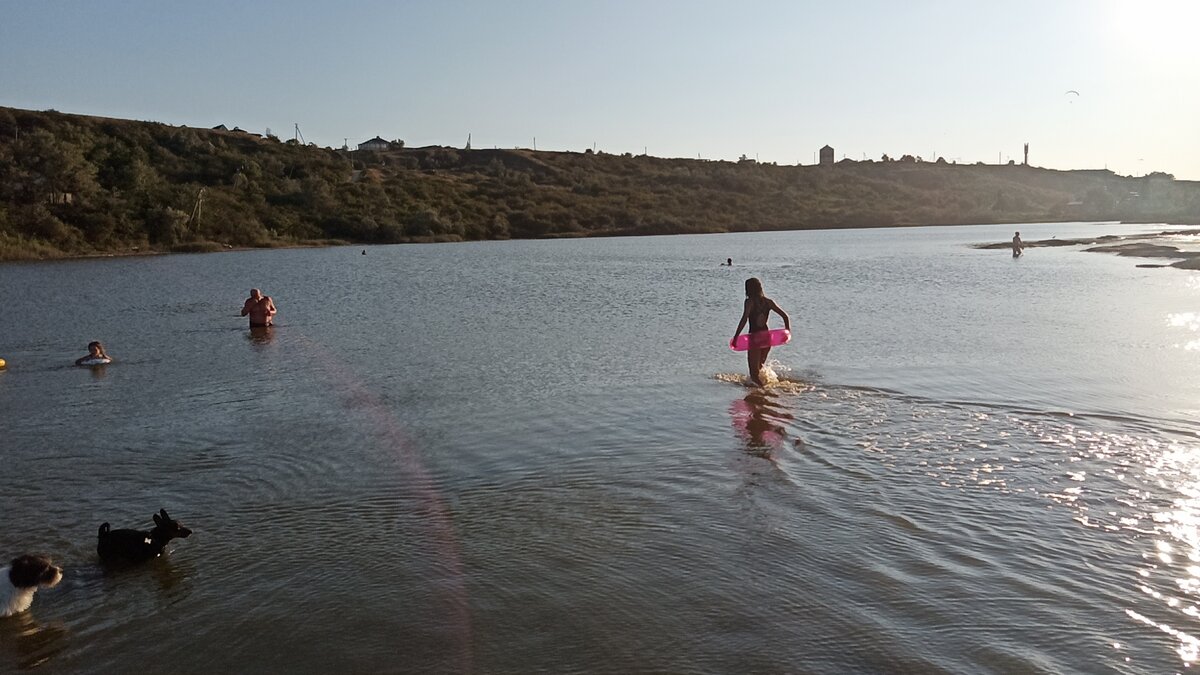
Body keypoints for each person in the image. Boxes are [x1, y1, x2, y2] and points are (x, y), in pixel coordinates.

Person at [732, 277, 790, 386]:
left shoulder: (749, 302)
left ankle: (763, 392)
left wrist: (736, 337)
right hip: (766, 338)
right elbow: (785, 316)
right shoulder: (769, 302)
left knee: (754, 374)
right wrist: (787, 333)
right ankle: (762, 395)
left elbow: (744, 319)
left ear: (748, 289)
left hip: (755, 338)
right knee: (759, 368)